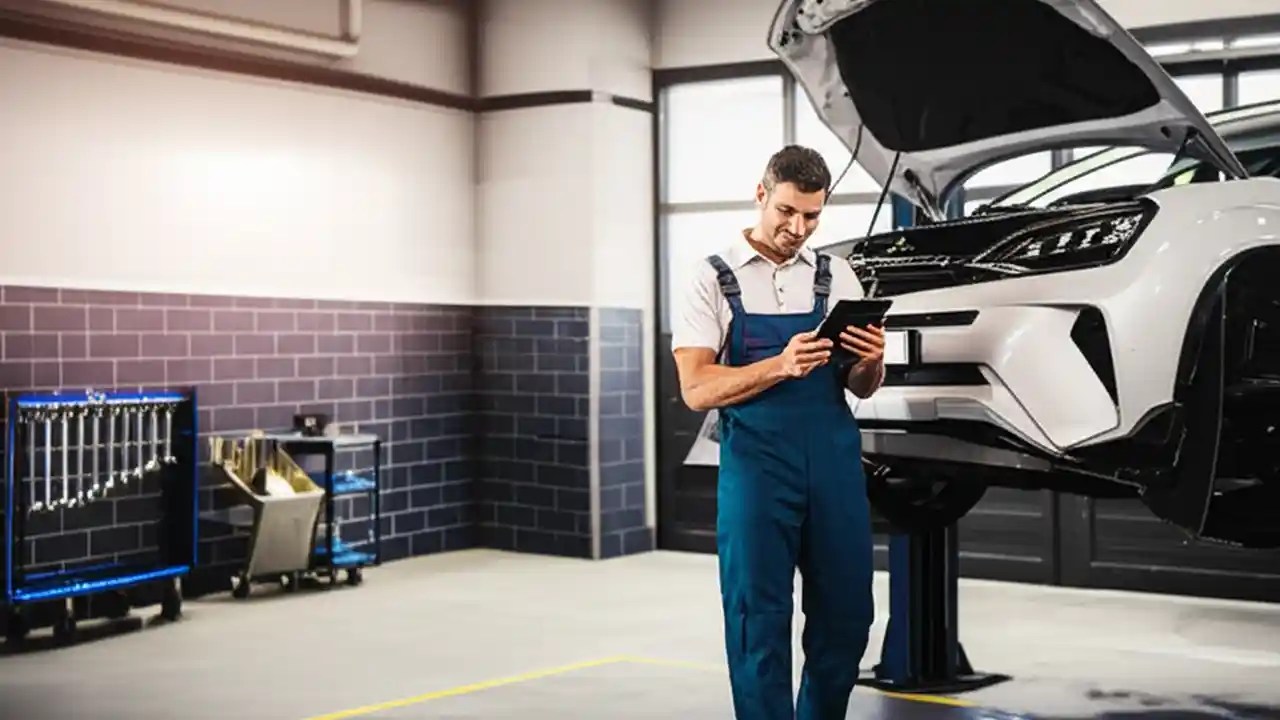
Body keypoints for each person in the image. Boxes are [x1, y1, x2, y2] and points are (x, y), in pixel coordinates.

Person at [671, 144, 886, 720]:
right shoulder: (711, 278)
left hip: (835, 465)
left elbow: (861, 387)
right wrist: (778, 365)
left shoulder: (835, 274)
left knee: (847, 615)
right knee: (757, 619)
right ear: (761, 194)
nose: (798, 228)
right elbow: (695, 388)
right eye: (787, 211)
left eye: (812, 216)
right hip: (758, 470)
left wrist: (871, 359)